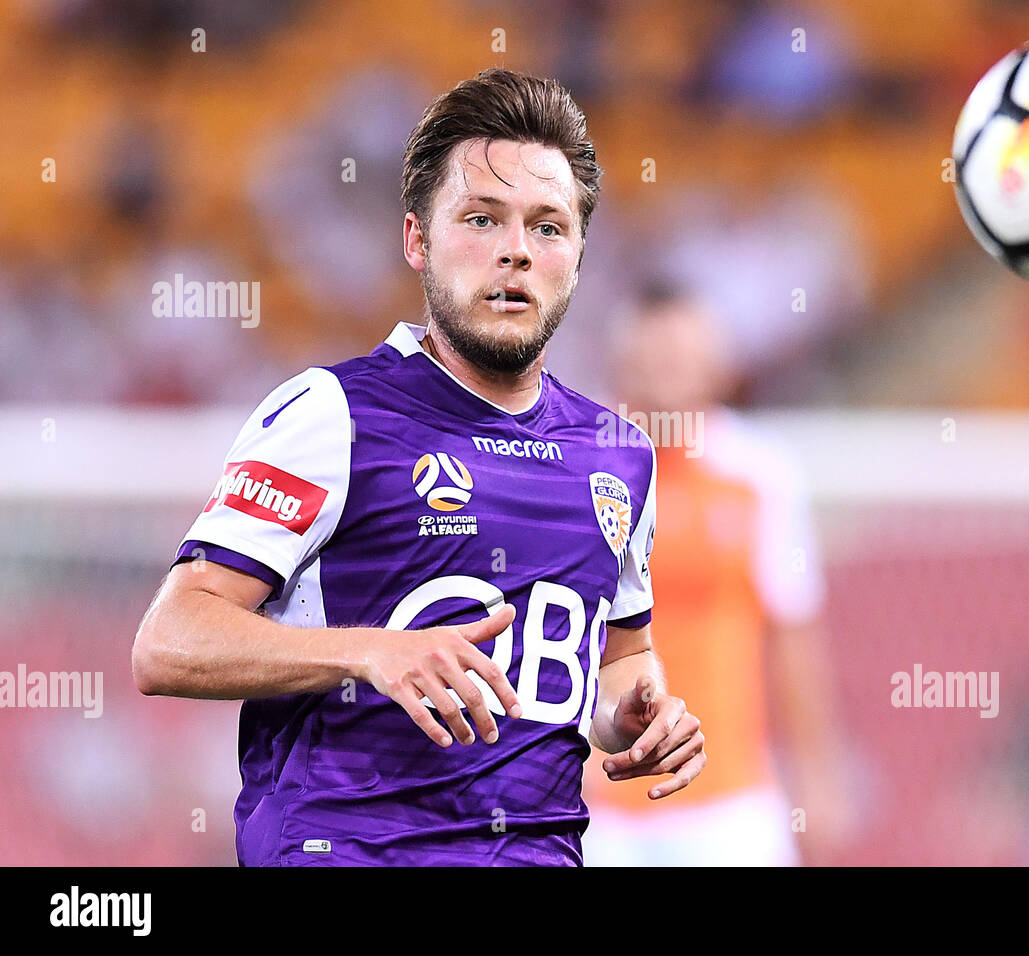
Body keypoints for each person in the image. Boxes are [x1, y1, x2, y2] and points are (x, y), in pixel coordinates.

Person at [131, 69, 705, 867]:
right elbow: (168, 643)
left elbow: (619, 660)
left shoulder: (617, 454)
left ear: (577, 257)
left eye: (548, 227)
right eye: (482, 218)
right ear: (417, 240)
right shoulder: (333, 414)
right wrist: (370, 651)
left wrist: (640, 713)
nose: (516, 249)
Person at [581, 283, 855, 866]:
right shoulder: (573, 467)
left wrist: (816, 772)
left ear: (717, 366)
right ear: (622, 362)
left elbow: (793, 635)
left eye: (682, 358)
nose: (669, 373)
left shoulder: (760, 477)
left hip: (731, 804)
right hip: (602, 804)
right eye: (655, 358)